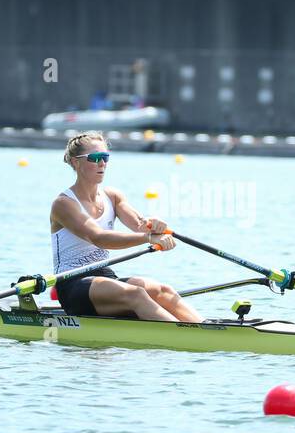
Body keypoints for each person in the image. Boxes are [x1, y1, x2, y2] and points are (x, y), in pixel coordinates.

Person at [49, 132, 202, 322]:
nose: (102, 163)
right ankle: (185, 337)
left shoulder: (113, 196)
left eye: (105, 158)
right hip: (73, 284)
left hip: (105, 278)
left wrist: (153, 225)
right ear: (75, 162)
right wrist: (149, 238)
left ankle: (207, 328)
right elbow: (99, 237)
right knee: (136, 294)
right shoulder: (64, 204)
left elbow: (139, 225)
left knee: (162, 290)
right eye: (95, 158)